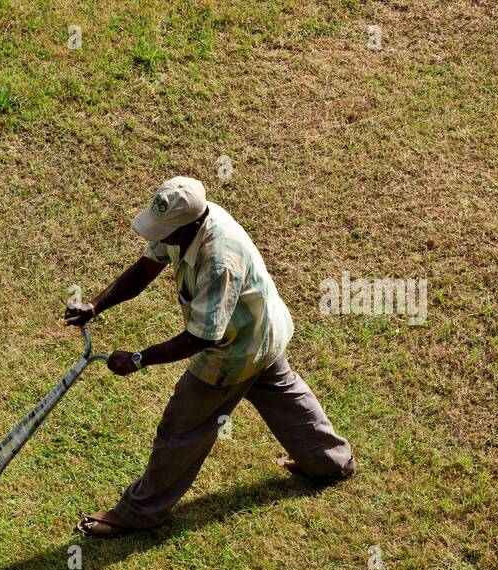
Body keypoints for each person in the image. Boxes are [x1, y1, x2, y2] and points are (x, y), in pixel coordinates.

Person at [65, 176, 355, 538]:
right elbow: (144, 270)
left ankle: (139, 512)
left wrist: (139, 359)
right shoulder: (186, 226)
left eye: (163, 230)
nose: (156, 236)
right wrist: (96, 305)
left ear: (187, 227)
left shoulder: (217, 260)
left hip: (232, 350)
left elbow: (200, 337)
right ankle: (331, 463)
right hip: (261, 330)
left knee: (182, 428)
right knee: (283, 393)